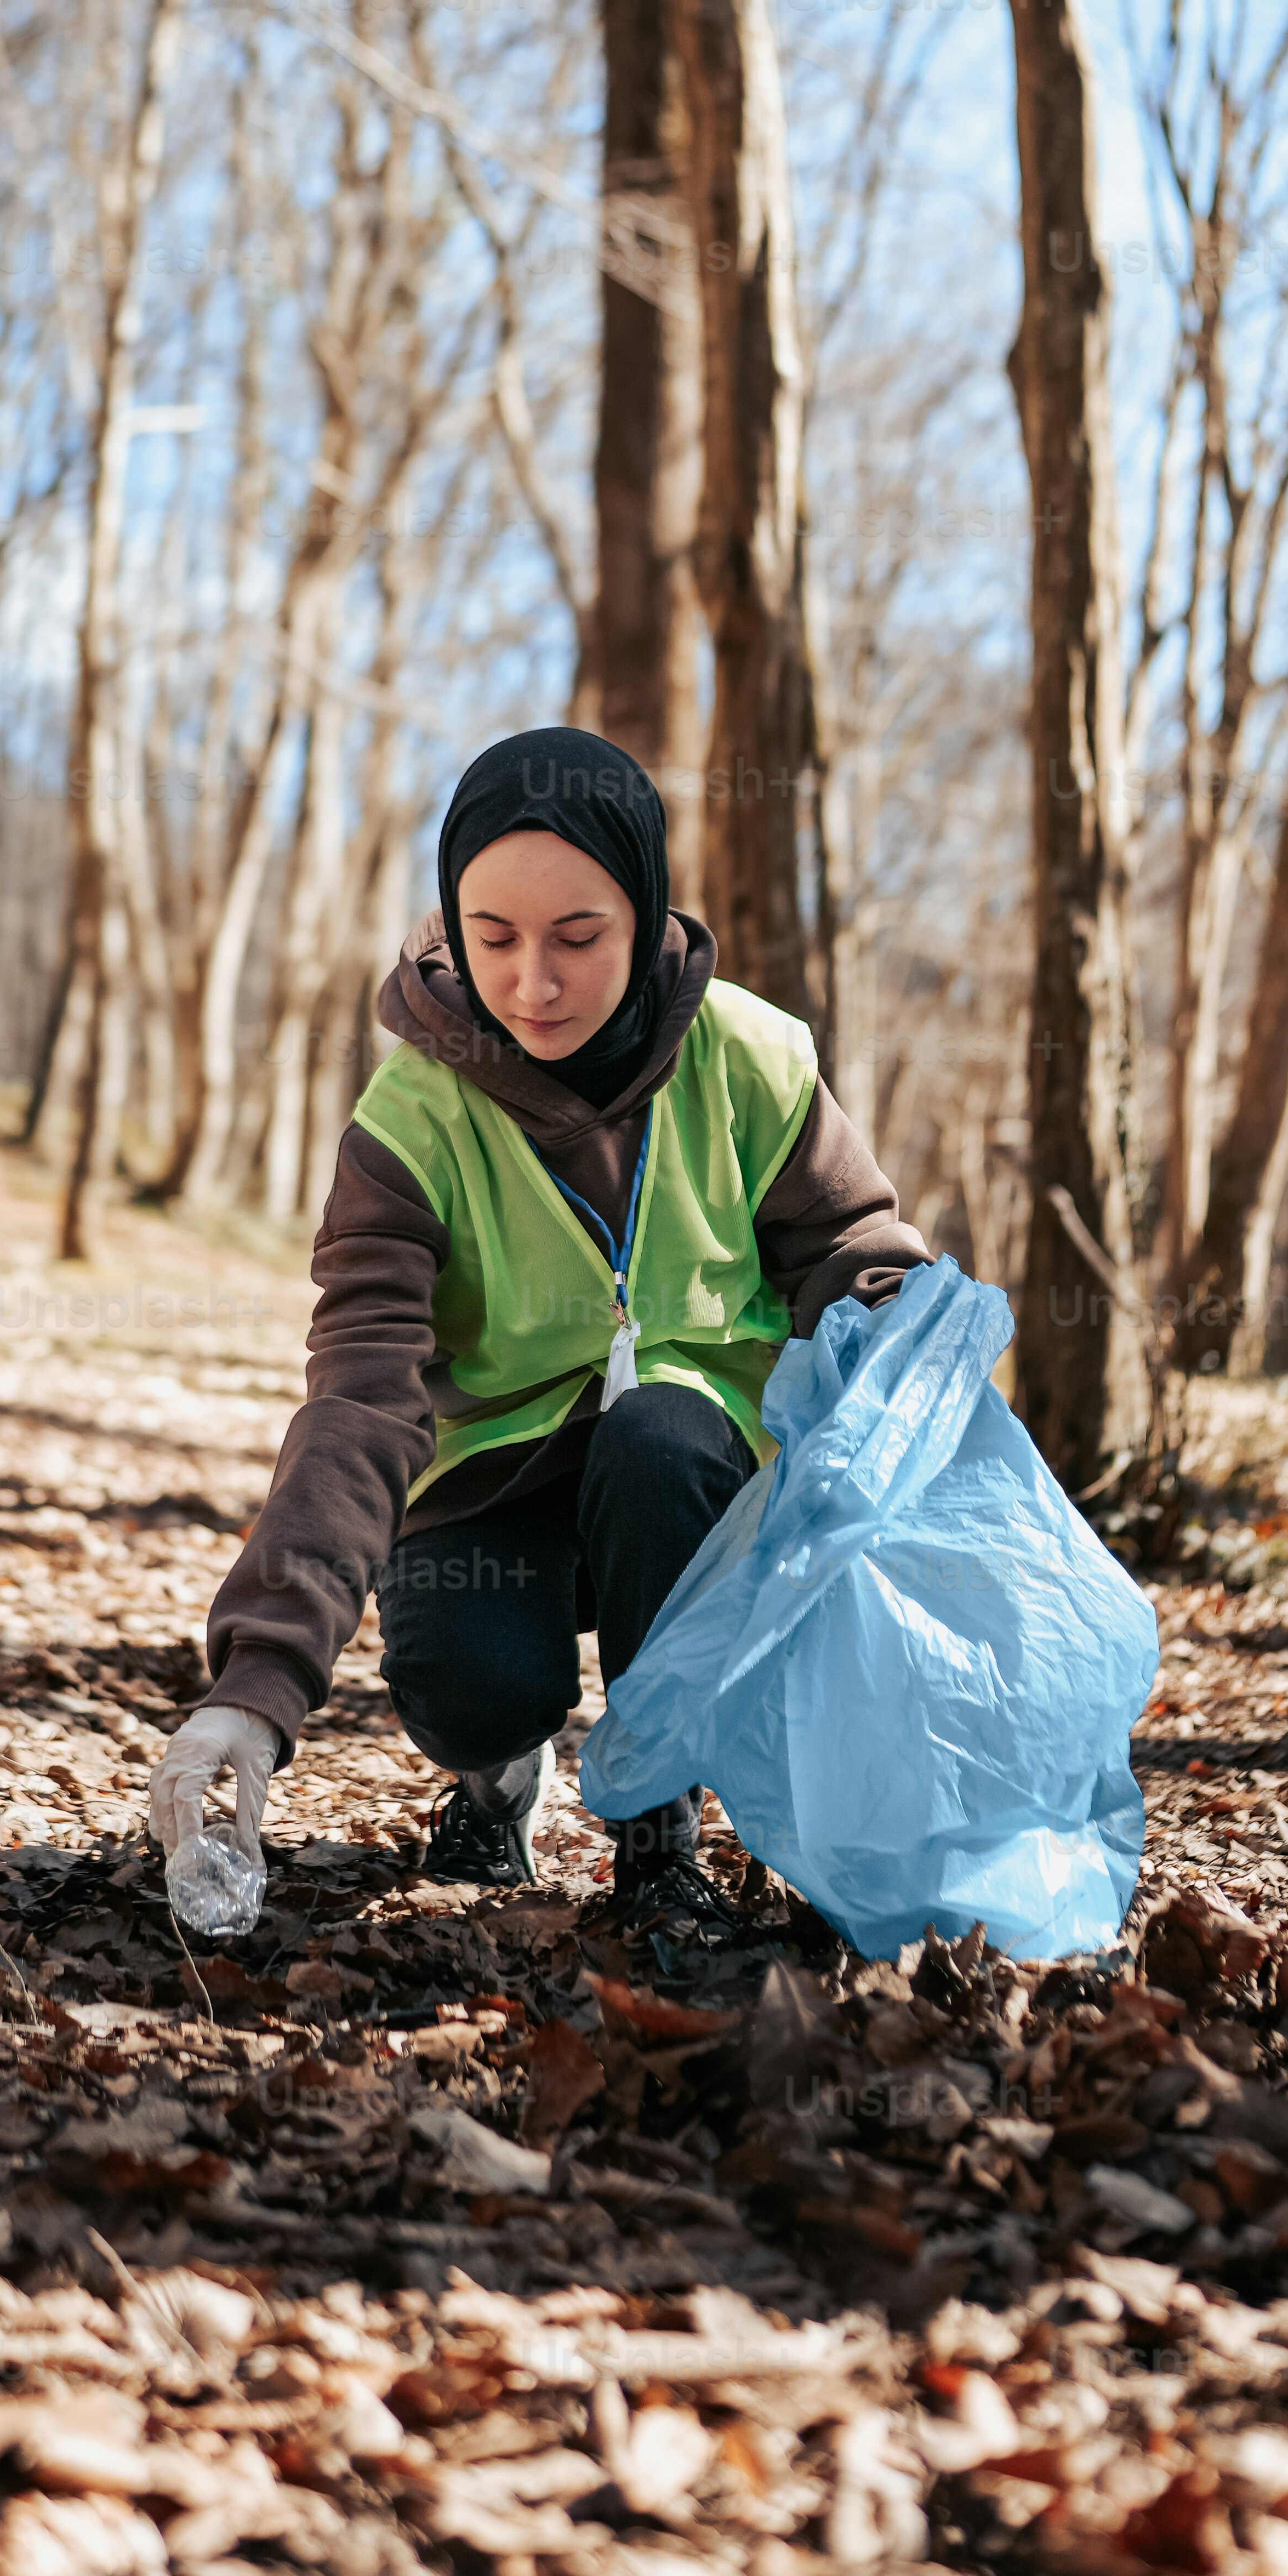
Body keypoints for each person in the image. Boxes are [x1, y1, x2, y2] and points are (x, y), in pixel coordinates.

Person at [144, 724, 928, 1935]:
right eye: (493, 940)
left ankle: (660, 1822)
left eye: (579, 938)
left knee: (661, 1435)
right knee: (468, 1686)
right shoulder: (407, 1124)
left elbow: (849, 1244)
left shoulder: (753, 1062)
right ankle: (501, 1773)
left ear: (648, 915)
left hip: (696, 1471)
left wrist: (897, 1325)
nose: (534, 985)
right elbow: (358, 1398)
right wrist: (255, 1689)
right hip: (489, 1486)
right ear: (453, 928)